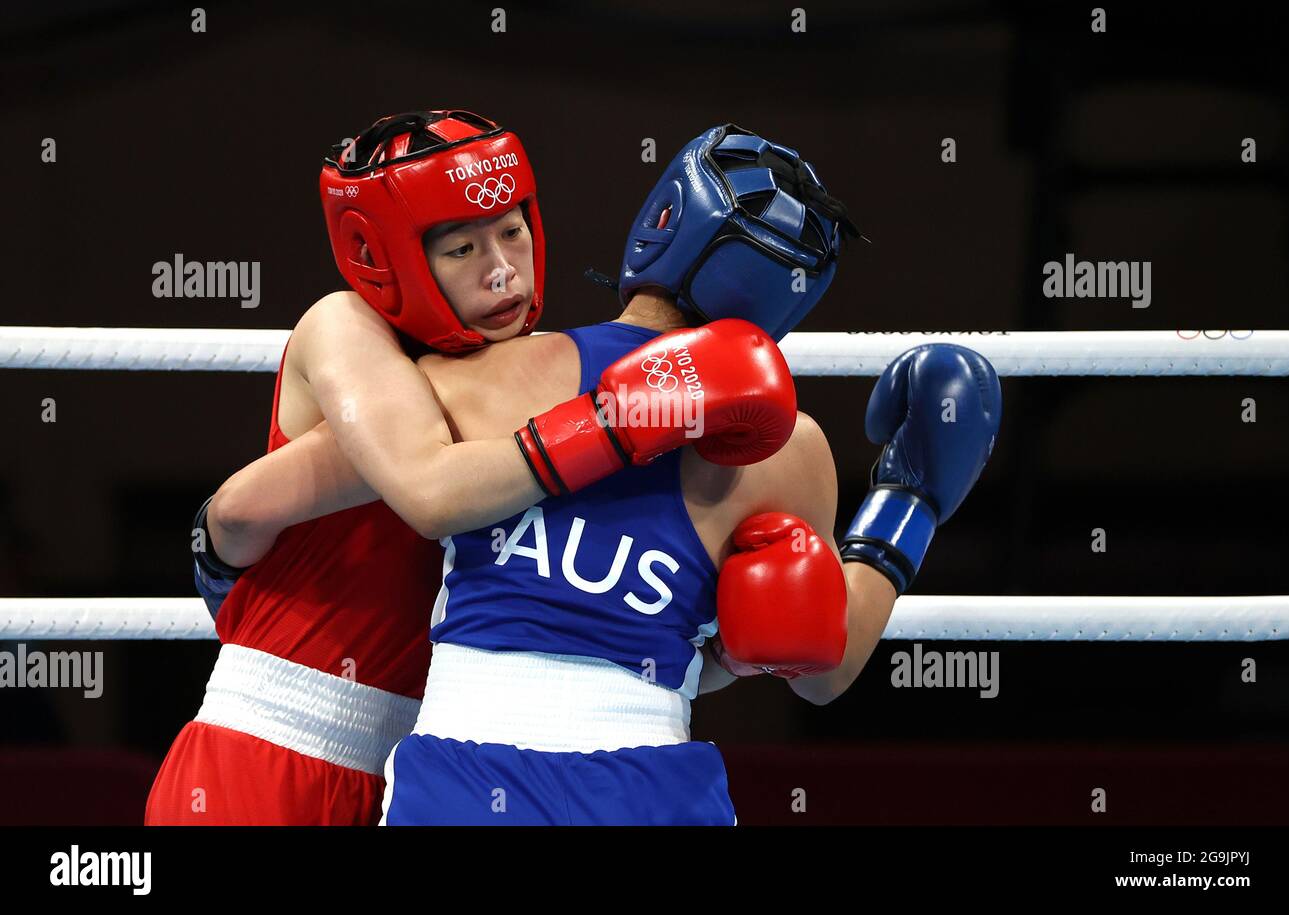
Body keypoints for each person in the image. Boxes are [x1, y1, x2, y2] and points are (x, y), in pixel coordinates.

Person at [208, 124, 1001, 823]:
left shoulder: (486, 376)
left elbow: (264, 501)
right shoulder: (792, 451)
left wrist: (216, 557)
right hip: (650, 784)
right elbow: (822, 672)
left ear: (661, 225)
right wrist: (911, 502)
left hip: (461, 777)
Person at [145, 110, 547, 825]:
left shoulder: (529, 372)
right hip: (267, 758)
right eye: (461, 248)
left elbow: (236, 515)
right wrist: (610, 418)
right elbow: (240, 511)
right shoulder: (344, 325)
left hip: (414, 776)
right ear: (385, 257)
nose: (502, 269)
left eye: (511, 231)